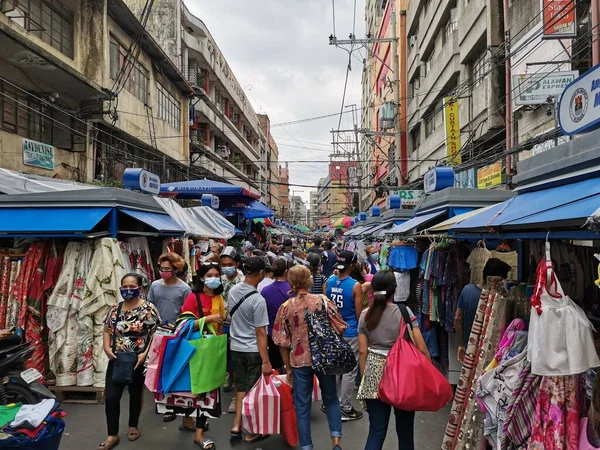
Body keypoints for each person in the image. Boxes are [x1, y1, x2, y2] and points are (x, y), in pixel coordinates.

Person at [273, 265, 347, 450]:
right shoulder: (322, 301)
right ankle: (336, 440)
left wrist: (288, 369)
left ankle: (307, 446)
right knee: (330, 398)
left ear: (291, 282)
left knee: (302, 405)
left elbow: (281, 341)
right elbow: (340, 327)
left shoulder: (285, 307)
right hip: (324, 359)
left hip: (299, 362)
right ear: (309, 281)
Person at [357, 270, 430, 450]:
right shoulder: (404, 312)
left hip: (374, 371)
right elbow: (421, 347)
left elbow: (362, 351)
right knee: (405, 432)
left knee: (376, 431)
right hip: (401, 373)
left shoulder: (365, 314)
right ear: (395, 290)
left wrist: (365, 379)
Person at [99, 274, 160, 450]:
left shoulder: (148, 309)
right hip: (117, 359)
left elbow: (155, 334)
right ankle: (112, 435)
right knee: (111, 397)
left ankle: (133, 424)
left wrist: (145, 354)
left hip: (138, 360)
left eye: (131, 286)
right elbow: (106, 330)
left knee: (135, 395)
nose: (127, 290)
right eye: (124, 286)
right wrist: (106, 348)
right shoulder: (114, 309)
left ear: (140, 288)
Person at [176, 263, 225, 449]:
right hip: (196, 351)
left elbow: (221, 325)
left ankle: (199, 432)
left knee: (208, 393)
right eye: (209, 275)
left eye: (216, 275)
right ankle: (194, 426)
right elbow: (183, 325)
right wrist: (208, 319)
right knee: (197, 391)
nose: (214, 278)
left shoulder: (219, 297)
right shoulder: (193, 298)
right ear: (202, 278)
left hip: (213, 350)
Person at [227, 257, 273, 444]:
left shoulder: (233, 291)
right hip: (252, 350)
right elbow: (261, 332)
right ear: (261, 273)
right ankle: (251, 430)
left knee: (241, 387)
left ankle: (236, 425)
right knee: (254, 392)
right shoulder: (258, 300)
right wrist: (266, 361)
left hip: (235, 347)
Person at [324, 250, 364, 421]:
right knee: (349, 370)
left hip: (333, 330)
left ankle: (330, 402)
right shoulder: (355, 285)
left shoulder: (329, 282)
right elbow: (358, 313)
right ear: (353, 265)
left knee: (335, 367)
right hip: (350, 331)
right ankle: (345, 407)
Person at [454, 258, 511, 363]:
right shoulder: (500, 299)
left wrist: (461, 344)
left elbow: (458, 318)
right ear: (498, 279)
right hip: (492, 352)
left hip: (470, 348)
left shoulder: (467, 290)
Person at [220, 246, 244, 396]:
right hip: (222, 325)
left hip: (238, 326)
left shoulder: (242, 281)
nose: (226, 267)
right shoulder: (218, 280)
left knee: (237, 358)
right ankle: (230, 376)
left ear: (237, 264)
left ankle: (238, 393)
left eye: (230, 264)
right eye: (224, 265)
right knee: (225, 356)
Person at [261, 258, 292, 372]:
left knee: (275, 366)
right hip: (288, 333)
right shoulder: (291, 290)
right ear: (286, 272)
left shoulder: (265, 290)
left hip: (271, 333)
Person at [147, 253, 191, 325]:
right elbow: (149, 306)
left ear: (176, 270)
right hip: (156, 327)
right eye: (162, 268)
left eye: (167, 269)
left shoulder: (185, 289)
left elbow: (187, 312)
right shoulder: (155, 285)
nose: (163, 271)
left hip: (175, 328)